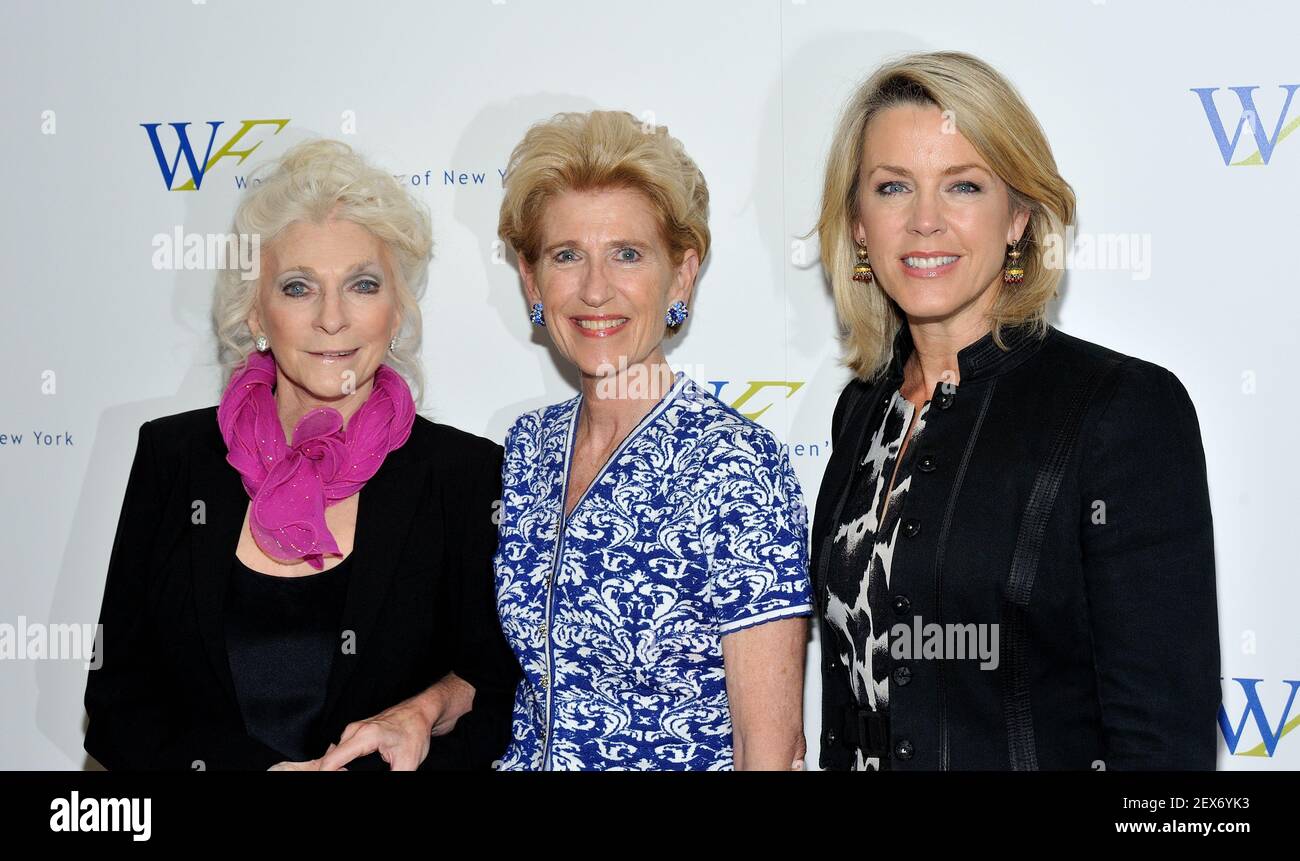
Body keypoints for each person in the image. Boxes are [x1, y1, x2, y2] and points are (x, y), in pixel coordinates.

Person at [811, 51, 1220, 770]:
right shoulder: (861, 413)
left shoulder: (1120, 411)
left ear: (1019, 218)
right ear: (859, 225)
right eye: (893, 187)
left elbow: (1164, 745)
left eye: (963, 186)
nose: (925, 221)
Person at [84, 139, 518, 771]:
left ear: (396, 311)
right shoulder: (174, 456)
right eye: (297, 287)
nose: (332, 319)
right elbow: (118, 696)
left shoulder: (464, 475)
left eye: (363, 285)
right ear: (256, 311)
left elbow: (498, 692)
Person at [493, 110, 812, 770]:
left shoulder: (734, 465)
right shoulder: (529, 448)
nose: (595, 289)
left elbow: (771, 746)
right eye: (566, 255)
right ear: (531, 280)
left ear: (682, 274)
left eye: (628, 254)